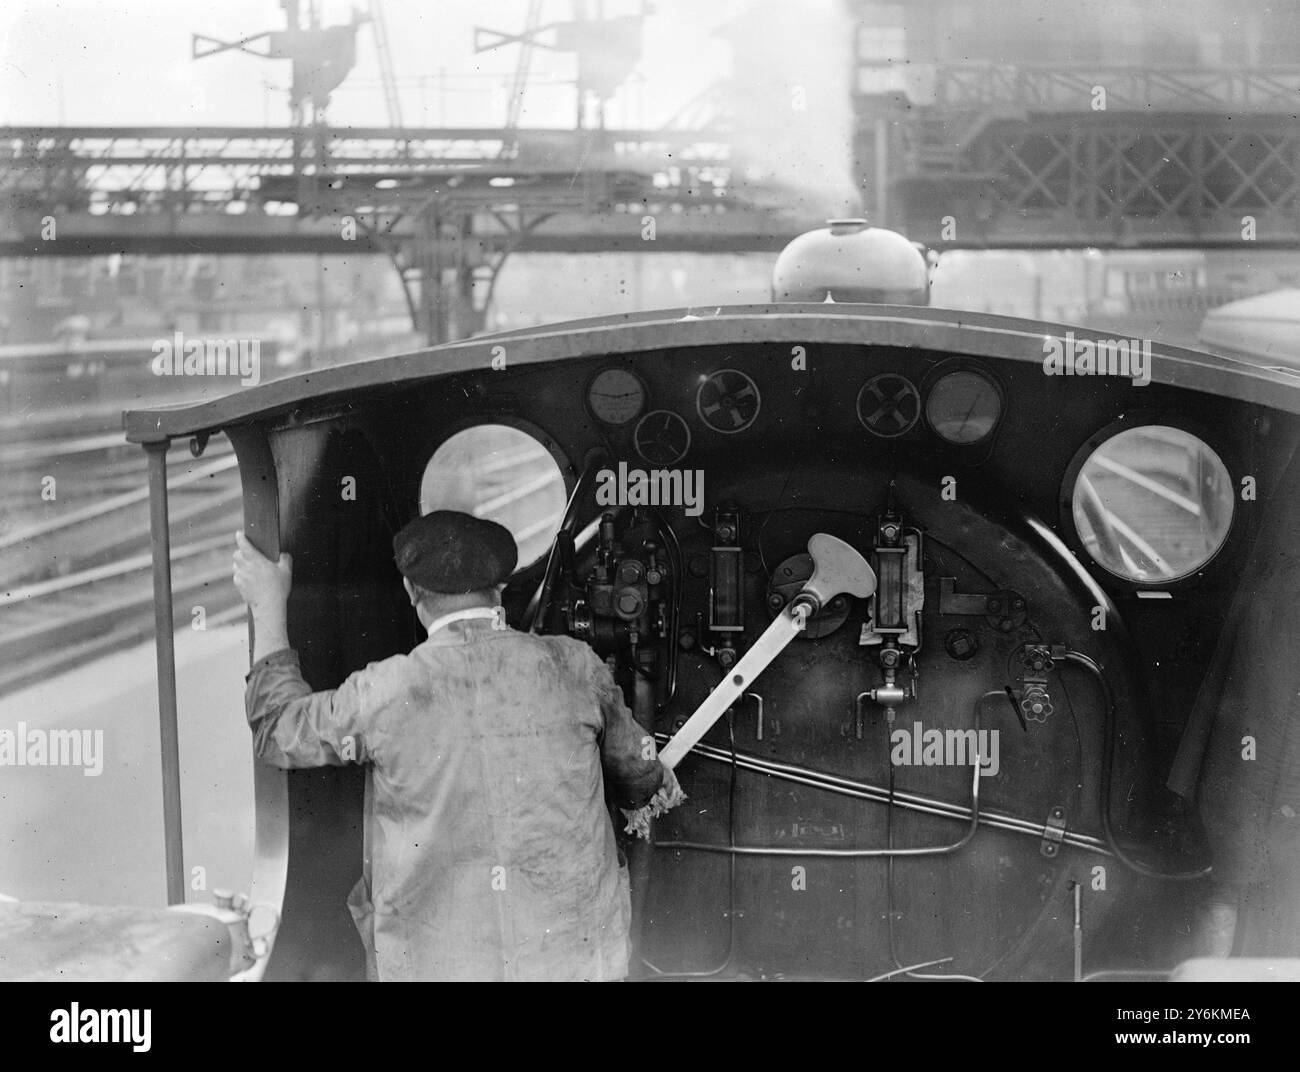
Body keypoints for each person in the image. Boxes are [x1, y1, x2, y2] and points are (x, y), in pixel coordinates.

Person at [232, 510, 683, 981]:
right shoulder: (574, 665)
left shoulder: (382, 691)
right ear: (502, 589)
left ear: (412, 592)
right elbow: (639, 769)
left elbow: (278, 731)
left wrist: (267, 604)